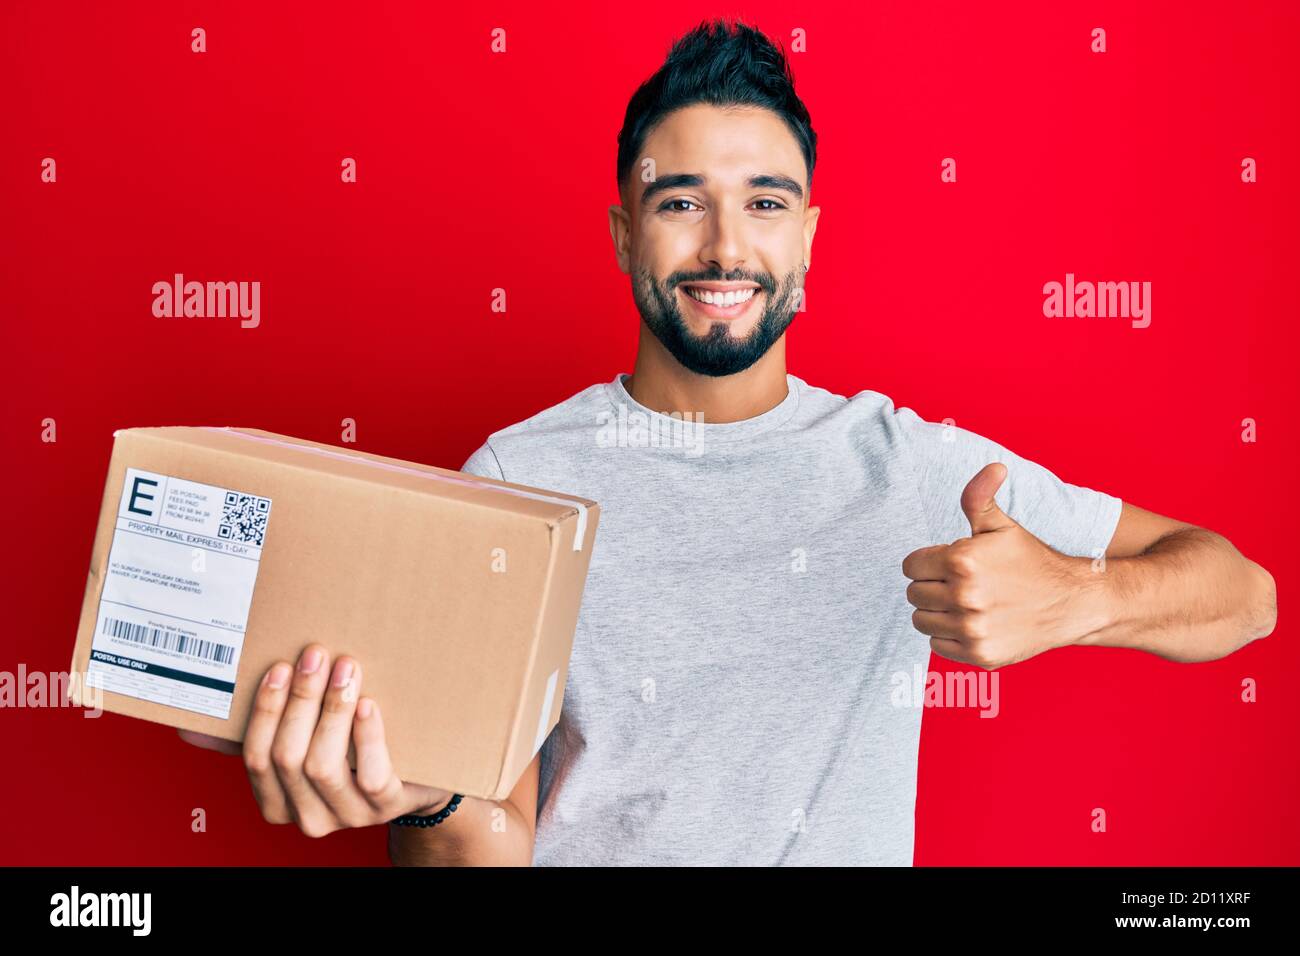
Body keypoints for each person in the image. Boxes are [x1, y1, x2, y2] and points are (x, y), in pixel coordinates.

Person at [181, 17, 1277, 866]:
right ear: (623, 233)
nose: (722, 246)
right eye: (678, 203)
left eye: (763, 202)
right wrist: (420, 795)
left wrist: (1081, 596)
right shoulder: (519, 482)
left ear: (807, 237)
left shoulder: (917, 470)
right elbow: (487, 838)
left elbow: (1245, 591)